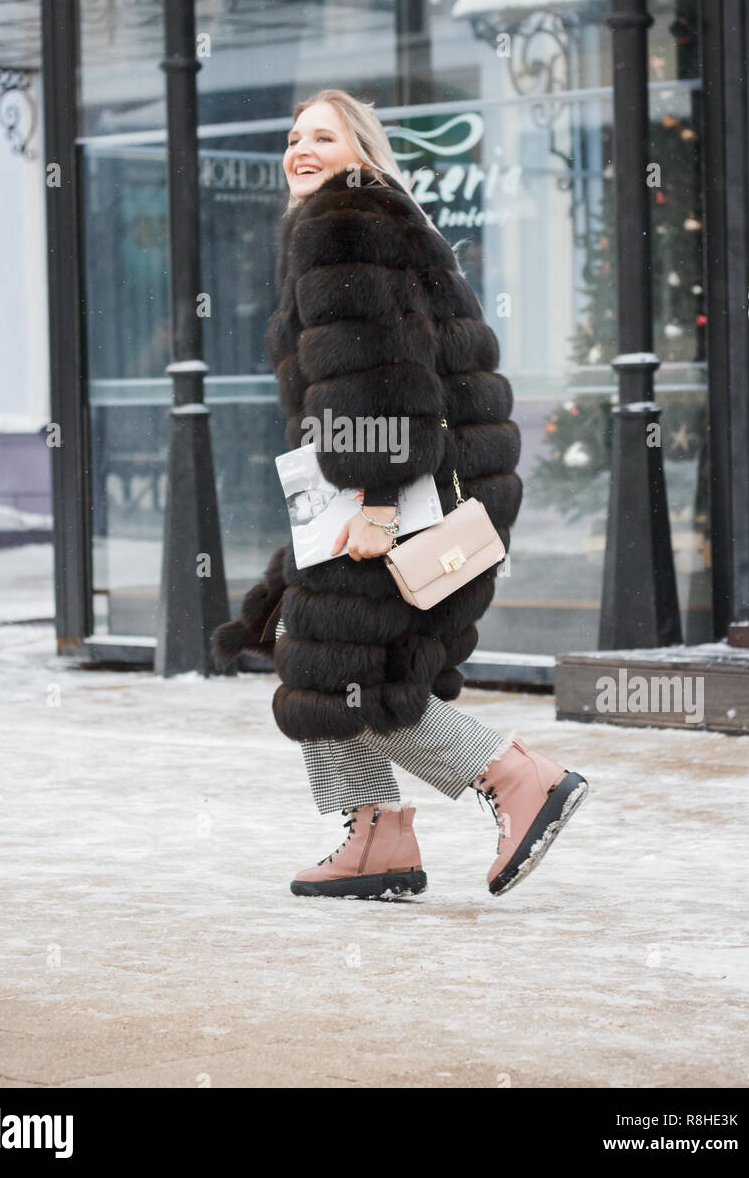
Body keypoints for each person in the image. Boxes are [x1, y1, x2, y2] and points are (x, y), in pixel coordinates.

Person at [212, 88, 588, 900]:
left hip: (402, 484)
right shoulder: (378, 217)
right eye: (293, 136)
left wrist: (375, 504)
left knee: (354, 668)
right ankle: (376, 834)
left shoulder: (342, 225)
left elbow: (384, 374)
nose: (301, 149)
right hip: (439, 482)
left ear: (362, 152)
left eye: (324, 136)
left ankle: (515, 778)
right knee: (319, 653)